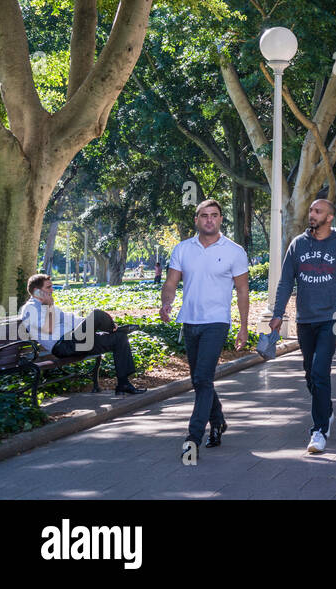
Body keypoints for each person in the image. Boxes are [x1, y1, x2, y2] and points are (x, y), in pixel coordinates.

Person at [269, 198, 336, 456]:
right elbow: (285, 282)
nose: (311, 214)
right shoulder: (298, 244)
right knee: (309, 373)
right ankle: (326, 409)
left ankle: (319, 430)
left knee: (319, 369)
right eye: (311, 210)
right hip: (305, 318)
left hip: (334, 317)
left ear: (329, 218)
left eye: (317, 211)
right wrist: (278, 313)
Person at [163, 198, 250, 461]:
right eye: (204, 215)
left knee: (202, 378)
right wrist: (166, 303)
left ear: (221, 219)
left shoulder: (235, 251)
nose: (209, 219)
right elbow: (170, 282)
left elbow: (243, 291)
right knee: (200, 380)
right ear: (197, 219)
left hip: (217, 322)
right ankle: (219, 420)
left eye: (214, 215)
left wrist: (243, 327)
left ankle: (193, 437)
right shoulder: (183, 249)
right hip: (190, 321)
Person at [18, 274, 147, 397]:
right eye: (48, 287)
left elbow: (72, 319)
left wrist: (87, 323)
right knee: (97, 315)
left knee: (119, 338)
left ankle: (123, 384)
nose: (52, 290)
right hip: (63, 346)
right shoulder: (29, 309)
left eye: (52, 286)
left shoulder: (49, 306)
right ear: (36, 291)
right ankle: (114, 329)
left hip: (75, 342)